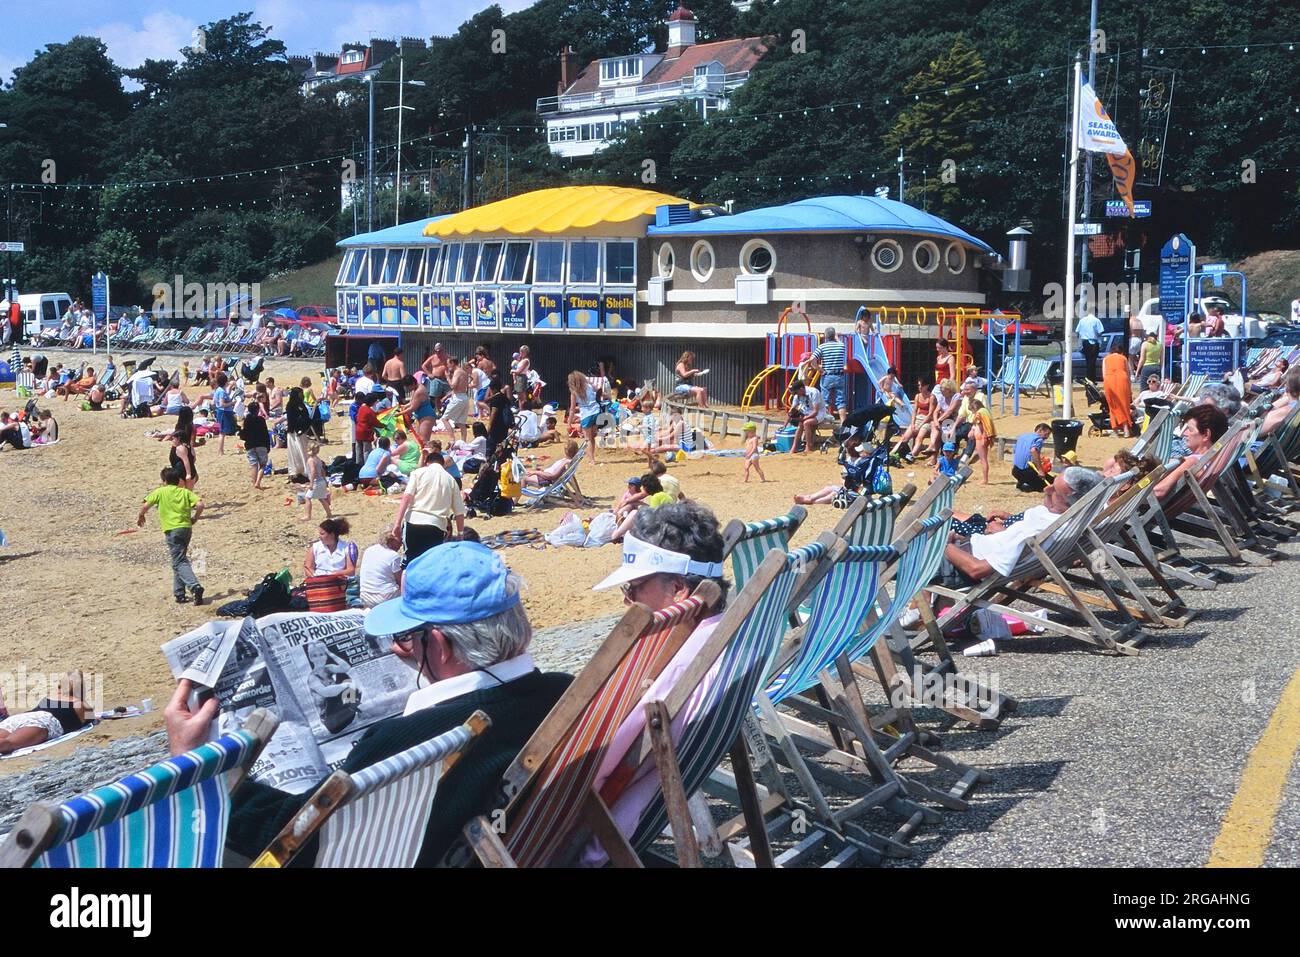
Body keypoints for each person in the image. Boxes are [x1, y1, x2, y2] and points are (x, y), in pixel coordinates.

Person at [167, 541, 572, 866]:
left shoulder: (414, 741)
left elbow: (289, 836)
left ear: (441, 646)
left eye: (410, 638)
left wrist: (195, 764)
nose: (401, 651)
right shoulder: (563, 693)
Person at [942, 467, 1104, 588]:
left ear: (1071, 503)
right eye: (1052, 483)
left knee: (920, 545)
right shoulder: (1065, 522)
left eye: (1055, 491)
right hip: (968, 546)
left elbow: (976, 569)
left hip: (958, 564)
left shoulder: (1038, 532)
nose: (1046, 489)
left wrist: (942, 545)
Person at [137, 466, 205, 605]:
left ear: (164, 481)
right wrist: (195, 518)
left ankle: (194, 586)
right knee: (178, 560)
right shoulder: (184, 492)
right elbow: (200, 505)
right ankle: (179, 593)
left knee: (179, 561)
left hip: (172, 530)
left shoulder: (161, 491)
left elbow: (145, 506)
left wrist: (141, 516)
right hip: (186, 528)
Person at [393, 449, 466, 565]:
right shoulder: (451, 480)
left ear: (427, 463)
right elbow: (459, 513)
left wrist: (397, 523)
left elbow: (406, 498)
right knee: (431, 564)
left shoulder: (418, 473)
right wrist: (461, 534)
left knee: (409, 562)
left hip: (414, 521)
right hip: (436, 525)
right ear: (443, 465)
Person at [0, 672, 94, 755]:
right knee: (9, 743)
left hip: (20, 717)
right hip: (43, 722)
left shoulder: (50, 697)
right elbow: (91, 718)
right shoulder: (79, 704)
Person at [1155, 404, 1229, 499]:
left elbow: (1158, 492)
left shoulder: (1193, 463)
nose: (1185, 433)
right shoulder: (1216, 459)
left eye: (1190, 429)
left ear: (1206, 435)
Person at [891, 380, 934, 461]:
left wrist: (920, 425)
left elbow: (930, 414)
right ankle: (892, 454)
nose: (920, 387)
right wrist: (913, 423)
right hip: (918, 418)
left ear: (927, 386)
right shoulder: (917, 396)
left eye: (921, 385)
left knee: (919, 437)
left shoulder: (931, 397)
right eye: (919, 385)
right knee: (904, 437)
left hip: (927, 420)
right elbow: (914, 411)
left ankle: (912, 454)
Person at [810, 327, 847, 422]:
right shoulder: (841, 346)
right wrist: (837, 337)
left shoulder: (822, 347)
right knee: (840, 401)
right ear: (834, 335)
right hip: (839, 376)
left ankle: (822, 420)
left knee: (824, 400)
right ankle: (843, 423)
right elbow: (839, 342)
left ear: (826, 336)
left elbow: (812, 360)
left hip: (827, 376)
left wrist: (820, 369)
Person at [1103, 340, 1136, 437]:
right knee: (1123, 405)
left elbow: (1104, 374)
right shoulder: (1123, 358)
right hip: (1122, 380)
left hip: (1109, 380)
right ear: (1121, 352)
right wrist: (1129, 390)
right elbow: (1128, 373)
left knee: (1113, 405)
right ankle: (1126, 429)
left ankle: (1115, 429)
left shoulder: (1106, 359)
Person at [568, 370, 601, 463]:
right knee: (592, 437)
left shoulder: (574, 392)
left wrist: (569, 423)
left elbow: (572, 409)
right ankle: (592, 456)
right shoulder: (589, 386)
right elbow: (598, 389)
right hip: (596, 411)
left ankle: (591, 459)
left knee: (587, 439)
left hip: (586, 414)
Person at [239, 396, 271, 490]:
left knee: (253, 465)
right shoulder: (261, 420)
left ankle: (254, 483)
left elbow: (243, 436)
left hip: (250, 445)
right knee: (262, 465)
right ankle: (258, 482)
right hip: (261, 444)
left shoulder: (246, 421)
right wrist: (268, 446)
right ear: (257, 410)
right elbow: (265, 434)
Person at [789, 379, 827, 454]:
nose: (796, 394)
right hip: (807, 412)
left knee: (806, 423)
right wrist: (786, 423)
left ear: (801, 389)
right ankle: (794, 447)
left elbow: (815, 411)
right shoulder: (797, 395)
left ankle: (808, 447)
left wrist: (803, 419)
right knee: (800, 424)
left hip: (820, 412)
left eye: (796, 392)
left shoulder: (813, 392)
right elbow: (791, 410)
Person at [1010, 423, 1052, 492]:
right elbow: (1033, 451)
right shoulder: (1038, 439)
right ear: (1040, 430)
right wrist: (1041, 471)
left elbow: (1015, 450)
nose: (1047, 437)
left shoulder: (1022, 437)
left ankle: (1023, 483)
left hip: (1015, 471)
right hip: (1026, 473)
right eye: (1046, 434)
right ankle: (1027, 486)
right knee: (1050, 483)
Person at [438, 356, 471, 443]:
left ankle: (452, 440)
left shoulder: (457, 372)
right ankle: (463, 441)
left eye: (448, 364)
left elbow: (453, 385)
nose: (448, 366)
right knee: (461, 422)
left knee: (444, 419)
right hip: (464, 397)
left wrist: (448, 377)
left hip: (458, 398)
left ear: (452, 363)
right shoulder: (463, 372)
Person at [285, 387, 313, 481]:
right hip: (294, 433)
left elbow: (306, 417)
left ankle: (306, 471)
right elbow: (291, 419)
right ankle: (296, 472)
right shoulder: (290, 405)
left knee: (304, 452)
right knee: (296, 453)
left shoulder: (301, 404)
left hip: (302, 432)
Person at [170, 407, 199, 489]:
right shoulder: (191, 427)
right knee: (190, 473)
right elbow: (192, 442)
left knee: (179, 474)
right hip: (185, 448)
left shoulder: (178, 425)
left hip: (174, 450)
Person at [969, 394, 996, 484]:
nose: (972, 412)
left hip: (981, 438)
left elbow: (982, 426)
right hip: (983, 438)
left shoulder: (979, 414)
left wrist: (984, 437)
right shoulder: (985, 411)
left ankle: (985, 479)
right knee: (982, 457)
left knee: (983, 459)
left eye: (972, 410)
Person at [485, 377, 514, 458]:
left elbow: (494, 413)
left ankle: (490, 461)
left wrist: (489, 426)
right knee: (502, 444)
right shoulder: (505, 398)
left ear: (492, 389)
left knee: (491, 445)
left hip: (496, 425)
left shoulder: (495, 399)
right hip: (504, 425)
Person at [353, 391, 380, 466]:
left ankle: (358, 465)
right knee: (366, 451)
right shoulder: (369, 411)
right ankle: (366, 465)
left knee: (358, 449)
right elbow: (375, 422)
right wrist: (384, 425)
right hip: (365, 433)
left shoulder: (362, 408)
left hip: (358, 431)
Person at [1077, 310, 1105, 382]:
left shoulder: (1082, 320)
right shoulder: (1096, 320)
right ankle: (1091, 379)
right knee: (1092, 362)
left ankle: (1089, 378)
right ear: (1096, 313)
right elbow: (1101, 331)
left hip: (1085, 342)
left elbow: (1077, 331)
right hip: (1094, 343)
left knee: (1088, 361)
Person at [1127, 307, 1145, 376]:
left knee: (1129, 358)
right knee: (1135, 358)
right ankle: (1139, 372)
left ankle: (1132, 374)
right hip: (1139, 340)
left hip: (1132, 339)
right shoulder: (1139, 321)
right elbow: (1143, 333)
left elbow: (1128, 332)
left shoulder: (1130, 321)